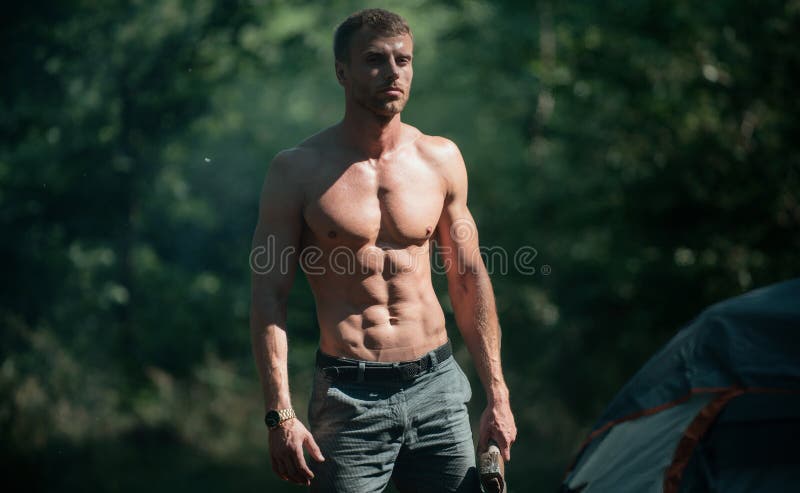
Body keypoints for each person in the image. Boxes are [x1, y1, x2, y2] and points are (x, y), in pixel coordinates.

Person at [250, 8, 517, 492]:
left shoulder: (440, 159)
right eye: (375, 59)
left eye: (403, 60)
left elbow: (469, 279)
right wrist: (280, 414)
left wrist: (497, 393)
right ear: (341, 71)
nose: (393, 72)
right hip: (349, 397)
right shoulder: (297, 171)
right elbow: (269, 297)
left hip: (437, 386)